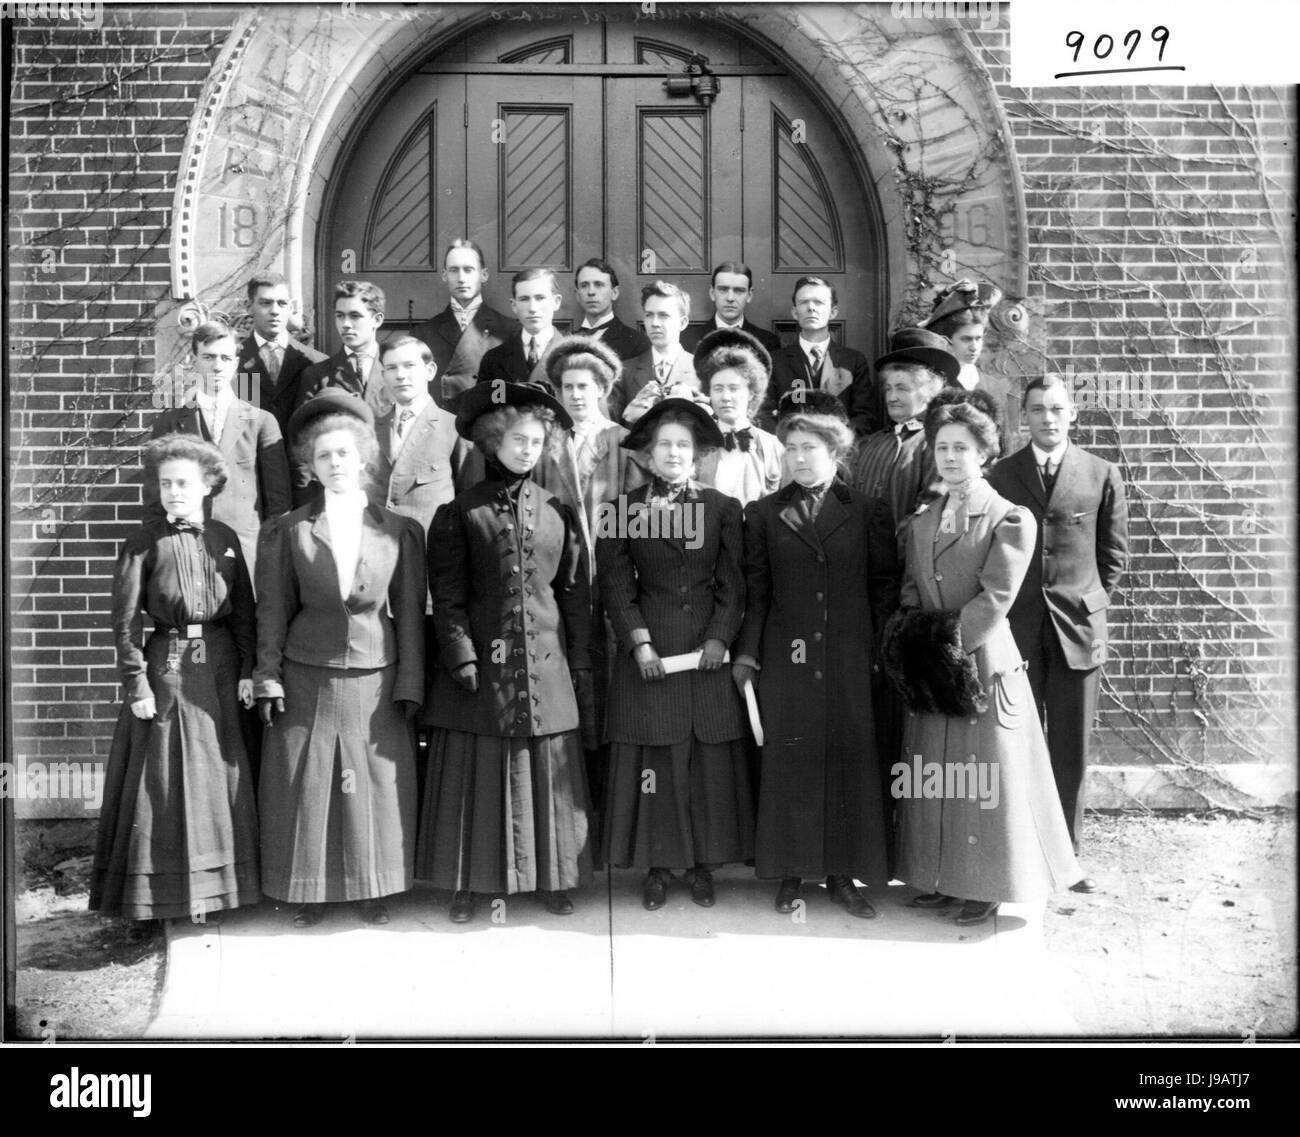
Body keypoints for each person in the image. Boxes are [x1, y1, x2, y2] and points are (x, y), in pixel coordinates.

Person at [886, 398, 1080, 926]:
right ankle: (942, 880)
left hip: (981, 665)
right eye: (942, 447)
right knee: (938, 776)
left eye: (962, 449)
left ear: (984, 453)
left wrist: (942, 647)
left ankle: (984, 886)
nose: (950, 457)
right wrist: (916, 646)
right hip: (934, 666)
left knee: (980, 779)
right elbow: (910, 593)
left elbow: (997, 598)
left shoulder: (1008, 518)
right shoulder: (924, 521)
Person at [418, 382, 593, 924]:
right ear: (495, 442)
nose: (527, 450)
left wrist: (579, 661)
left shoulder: (558, 512)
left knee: (544, 771)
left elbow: (573, 595)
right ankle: (470, 883)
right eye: (518, 440)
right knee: (479, 773)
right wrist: (461, 654)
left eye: (537, 442)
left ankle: (551, 878)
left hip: (545, 664)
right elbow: (446, 595)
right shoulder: (460, 513)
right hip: (479, 668)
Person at [254, 392, 426, 928]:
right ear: (310, 465)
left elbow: (411, 617)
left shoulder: (399, 530)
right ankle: (307, 892)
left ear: (362, 459)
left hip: (377, 676)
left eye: (344, 454)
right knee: (308, 782)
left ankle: (374, 888)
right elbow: (273, 612)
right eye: (324, 456)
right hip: (308, 674)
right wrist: (267, 677)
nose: (335, 464)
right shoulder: (287, 530)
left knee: (372, 784)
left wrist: (411, 685)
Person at [733, 401, 898, 917]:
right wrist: (749, 657)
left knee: (849, 764)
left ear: (835, 453)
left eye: (811, 449)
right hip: (789, 659)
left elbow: (883, 588)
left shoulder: (868, 510)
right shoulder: (761, 513)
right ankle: (790, 871)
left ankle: (842, 875)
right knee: (792, 763)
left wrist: (875, 652)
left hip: (850, 658)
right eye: (792, 449)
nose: (800, 459)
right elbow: (756, 592)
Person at [91, 435, 260, 929]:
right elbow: (124, 624)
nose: (174, 492)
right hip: (169, 664)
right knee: (164, 777)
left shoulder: (226, 538)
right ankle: (162, 899)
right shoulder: (143, 542)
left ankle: (223, 892)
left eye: (184, 483)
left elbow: (245, 612)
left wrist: (249, 670)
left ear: (208, 485)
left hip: (222, 663)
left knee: (218, 774)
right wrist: (136, 684)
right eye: (166, 484)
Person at [599, 398, 752, 910]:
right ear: (646, 453)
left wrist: (719, 638)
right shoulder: (624, 512)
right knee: (657, 763)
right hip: (653, 656)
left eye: (683, 445)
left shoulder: (723, 509)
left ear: (699, 453)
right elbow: (617, 586)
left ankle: (704, 866)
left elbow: (734, 584)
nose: (673, 452)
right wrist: (639, 642)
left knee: (706, 760)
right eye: (663, 444)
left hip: (706, 655)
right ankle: (659, 867)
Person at [986, 374, 1129, 892]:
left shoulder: (1101, 472)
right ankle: (1020, 850)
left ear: (1073, 415)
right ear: (1023, 417)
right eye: (1038, 409)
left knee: (1070, 746)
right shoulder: (1001, 475)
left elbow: (1113, 556)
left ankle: (1066, 859)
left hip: (1077, 629)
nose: (1048, 418)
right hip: (1017, 630)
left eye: (1057, 409)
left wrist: (1089, 604)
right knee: (1016, 741)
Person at [150, 321, 291, 575]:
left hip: (245, 553)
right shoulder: (169, 423)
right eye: (208, 357)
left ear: (236, 363)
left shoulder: (261, 422)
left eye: (225, 358)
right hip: (185, 550)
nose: (217, 366)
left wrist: (271, 559)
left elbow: (278, 504)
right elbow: (153, 501)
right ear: (194, 360)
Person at [848, 331, 959, 533]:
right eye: (888, 388)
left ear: (929, 391)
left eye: (902, 388)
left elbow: (933, 509)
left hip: (908, 557)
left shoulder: (936, 442)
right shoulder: (870, 442)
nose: (892, 397)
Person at [372, 335, 471, 533]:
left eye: (409, 365)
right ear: (383, 375)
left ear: (430, 371)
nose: (400, 375)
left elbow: (468, 503)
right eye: (392, 368)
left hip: (430, 551)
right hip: (378, 551)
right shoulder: (372, 430)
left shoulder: (454, 429)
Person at [760, 275, 877, 435]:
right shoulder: (774, 361)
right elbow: (765, 414)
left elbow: (864, 416)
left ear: (833, 312)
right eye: (804, 302)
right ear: (795, 312)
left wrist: (835, 444)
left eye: (819, 302)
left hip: (838, 453)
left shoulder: (853, 361)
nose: (811, 308)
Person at [412, 238, 516, 408]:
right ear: (445, 275)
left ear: (483, 275)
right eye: (454, 270)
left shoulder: (509, 330)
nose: (461, 278)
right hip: (441, 427)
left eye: (468, 270)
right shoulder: (423, 333)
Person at [693, 328, 785, 506]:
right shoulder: (696, 444)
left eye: (734, 388)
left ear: (751, 393)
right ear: (709, 393)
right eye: (718, 389)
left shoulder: (774, 447)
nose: (725, 397)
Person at [236, 271, 326, 431]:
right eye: (265, 303)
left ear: (291, 307)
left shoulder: (317, 363)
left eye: (282, 303)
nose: (275, 311)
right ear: (249, 307)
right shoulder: (232, 361)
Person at [295, 280, 395, 419]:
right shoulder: (317, 375)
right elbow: (303, 431)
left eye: (355, 316)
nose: (345, 324)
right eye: (340, 316)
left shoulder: (398, 369)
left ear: (377, 320)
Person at [607, 281, 699, 425]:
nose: (655, 323)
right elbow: (614, 430)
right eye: (649, 315)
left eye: (664, 315)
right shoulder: (624, 372)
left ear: (683, 323)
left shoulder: (700, 369)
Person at [476, 268, 565, 389]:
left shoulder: (573, 355)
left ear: (556, 302)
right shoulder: (493, 359)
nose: (533, 308)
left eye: (540, 298)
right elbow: (488, 405)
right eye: (524, 299)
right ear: (514, 305)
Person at [681, 262, 781, 355]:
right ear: (712, 293)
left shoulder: (768, 342)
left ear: (749, 295)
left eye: (739, 291)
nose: (730, 298)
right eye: (723, 290)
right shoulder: (688, 339)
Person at [924, 278, 1001, 392]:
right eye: (966, 339)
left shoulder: (991, 386)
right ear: (947, 339)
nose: (974, 347)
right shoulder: (933, 383)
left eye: (978, 338)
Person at [572, 258, 651, 361]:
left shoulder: (637, 342)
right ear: (577, 295)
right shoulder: (566, 341)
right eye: (584, 285)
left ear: (614, 293)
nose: (591, 292)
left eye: (599, 285)